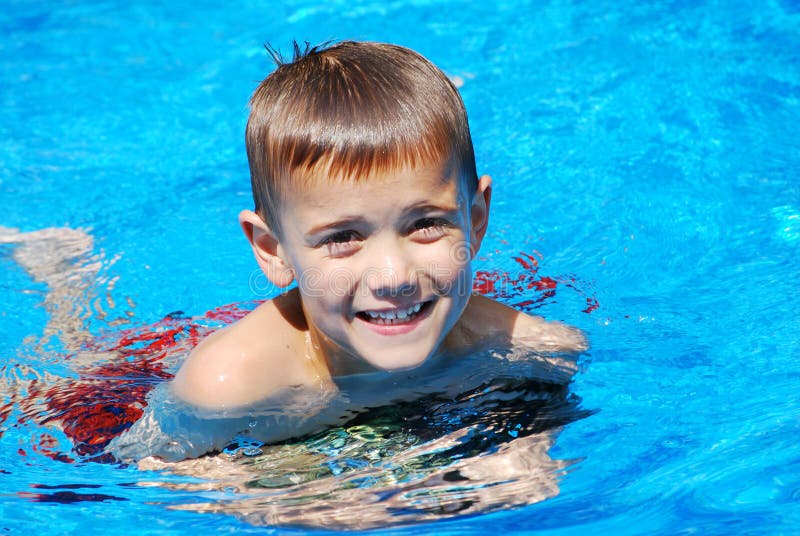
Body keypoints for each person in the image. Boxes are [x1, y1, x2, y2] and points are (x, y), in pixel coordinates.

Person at [168, 41, 587, 428]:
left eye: (425, 224)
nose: (394, 277)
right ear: (272, 249)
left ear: (475, 220)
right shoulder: (227, 387)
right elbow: (168, 485)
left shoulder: (532, 352)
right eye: (343, 236)